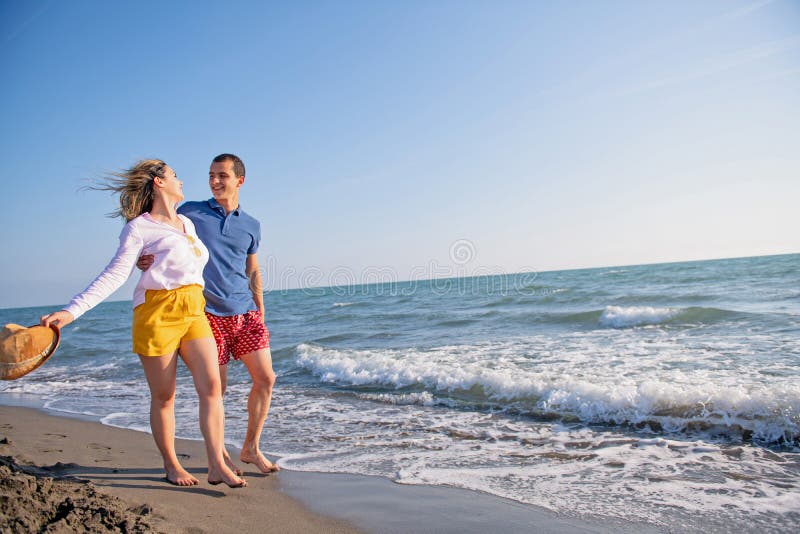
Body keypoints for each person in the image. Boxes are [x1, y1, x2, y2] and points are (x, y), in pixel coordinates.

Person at [41, 159, 246, 488]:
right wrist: (71, 312)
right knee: (165, 396)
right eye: (174, 175)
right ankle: (171, 464)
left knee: (212, 388)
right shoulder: (138, 228)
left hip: (194, 309)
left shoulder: (186, 224)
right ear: (158, 182)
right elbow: (114, 274)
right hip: (157, 313)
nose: (181, 180)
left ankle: (215, 463)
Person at [138, 153, 278, 474]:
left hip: (245, 312)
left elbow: (252, 270)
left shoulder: (252, 225)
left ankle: (250, 448)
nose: (215, 181)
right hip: (206, 313)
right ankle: (220, 457)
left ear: (239, 181)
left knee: (266, 378)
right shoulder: (192, 211)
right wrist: (143, 256)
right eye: (212, 175)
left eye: (222, 176)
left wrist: (260, 308)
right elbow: (154, 225)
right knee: (217, 390)